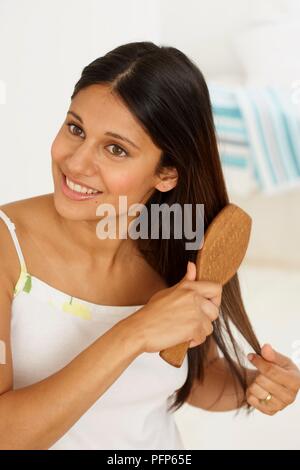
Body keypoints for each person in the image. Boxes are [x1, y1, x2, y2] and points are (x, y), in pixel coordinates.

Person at [0, 41, 299, 450]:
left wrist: (254, 385)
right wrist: (133, 333)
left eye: (116, 149)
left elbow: (191, 378)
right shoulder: (7, 246)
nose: (76, 163)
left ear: (167, 174)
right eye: (76, 128)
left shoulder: (178, 242)